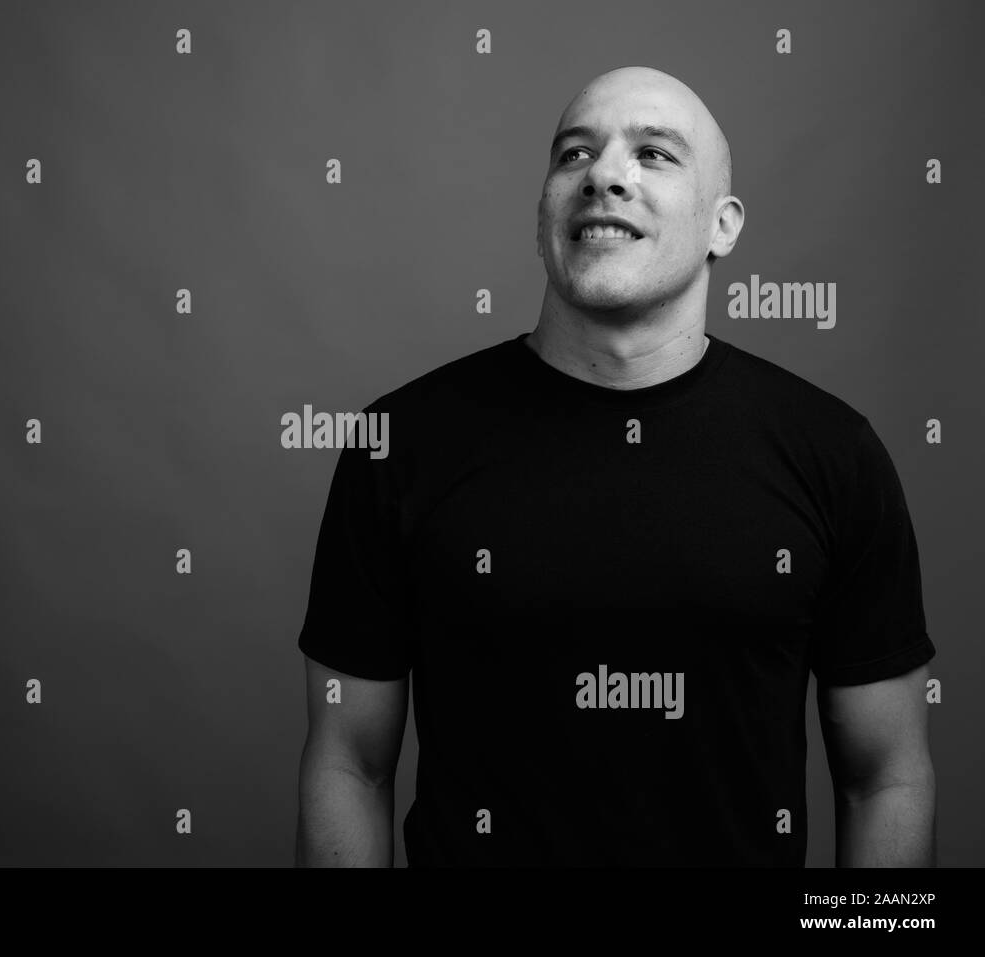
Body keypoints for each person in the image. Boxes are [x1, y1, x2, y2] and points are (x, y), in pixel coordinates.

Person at [294, 66, 936, 867]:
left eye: (655, 154)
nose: (603, 174)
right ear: (542, 216)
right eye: (574, 155)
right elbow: (350, 765)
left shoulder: (835, 454)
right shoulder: (396, 443)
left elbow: (885, 779)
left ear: (723, 225)